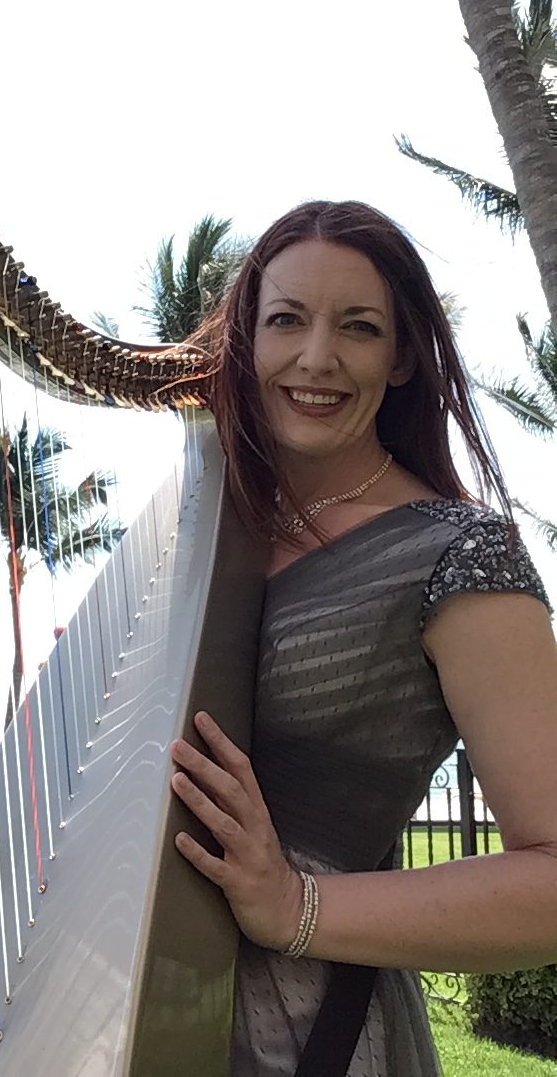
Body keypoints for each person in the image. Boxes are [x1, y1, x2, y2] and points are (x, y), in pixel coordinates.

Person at [168, 200, 557, 1076]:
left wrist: (293, 904)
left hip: (312, 1037)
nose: (316, 358)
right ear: (247, 342)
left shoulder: (457, 553)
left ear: (404, 356)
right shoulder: (206, 533)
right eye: (285, 321)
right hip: (151, 992)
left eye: (358, 327)